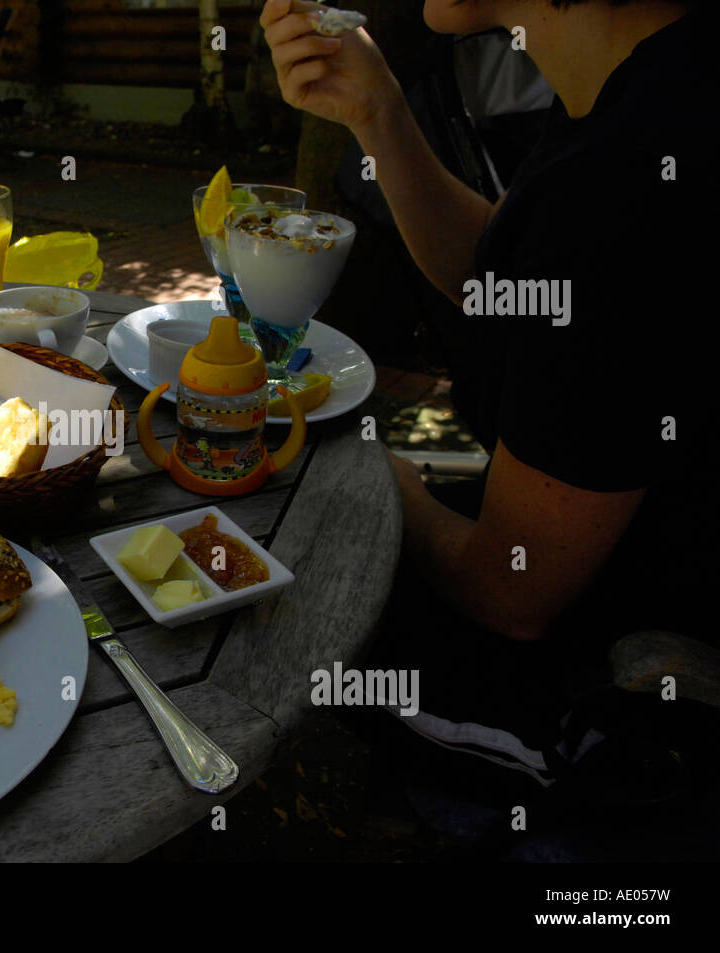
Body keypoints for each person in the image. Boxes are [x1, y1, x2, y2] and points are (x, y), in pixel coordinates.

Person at [260, 0, 716, 791]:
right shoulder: (643, 80)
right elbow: (510, 286)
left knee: (280, 630)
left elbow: (513, 593)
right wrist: (378, 111)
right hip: (598, 561)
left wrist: (384, 492)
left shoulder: (629, 184)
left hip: (633, 672)